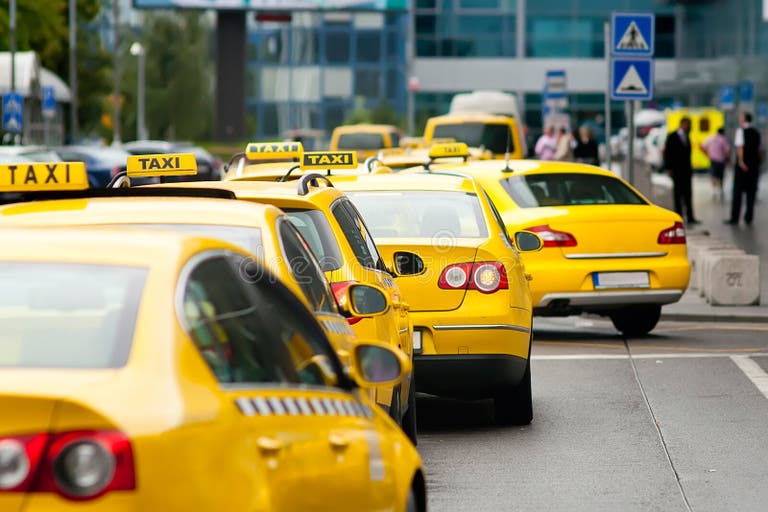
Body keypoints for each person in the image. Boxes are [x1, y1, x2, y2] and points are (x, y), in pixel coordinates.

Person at [726, 112, 763, 226]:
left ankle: (735, 218)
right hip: (754, 166)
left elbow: (740, 147)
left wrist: (741, 161)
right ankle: (749, 217)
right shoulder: (756, 132)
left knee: (738, 192)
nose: (739, 119)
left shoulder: (740, 131)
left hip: (743, 166)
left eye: (741, 117)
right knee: (751, 192)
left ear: (744, 119)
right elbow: (759, 149)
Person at [663, 116, 699, 225]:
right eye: (687, 125)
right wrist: (668, 168)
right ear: (682, 124)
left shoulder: (687, 137)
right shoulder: (672, 136)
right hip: (676, 170)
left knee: (688, 193)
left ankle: (690, 216)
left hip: (686, 171)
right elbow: (667, 153)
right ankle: (679, 215)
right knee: (677, 194)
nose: (688, 127)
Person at [700, 127, 731, 202]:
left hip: (713, 160)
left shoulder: (711, 138)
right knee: (721, 176)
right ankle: (720, 190)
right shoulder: (723, 139)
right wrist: (728, 159)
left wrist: (707, 154)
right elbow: (727, 150)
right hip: (720, 161)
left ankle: (714, 191)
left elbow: (701, 145)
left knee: (713, 175)